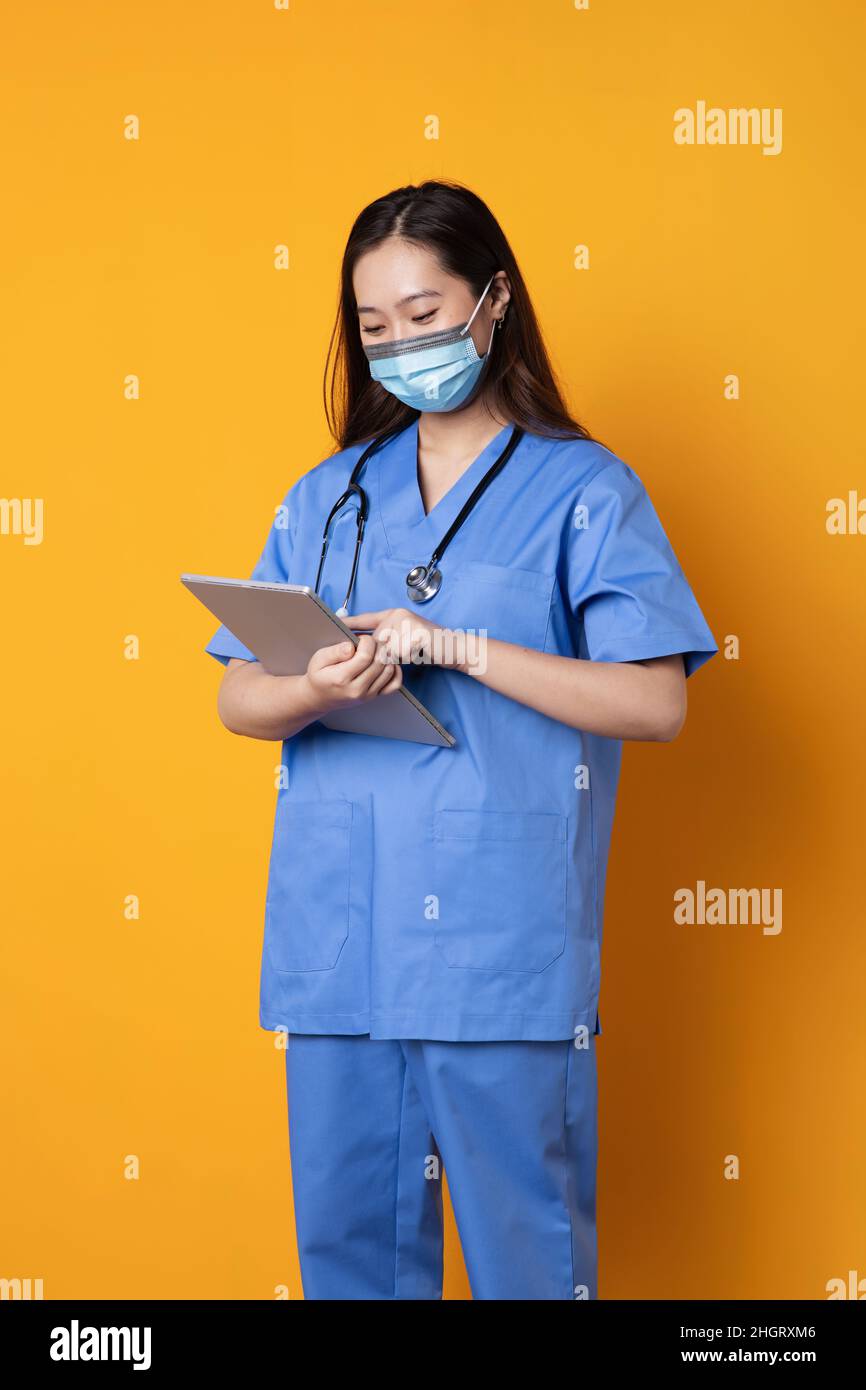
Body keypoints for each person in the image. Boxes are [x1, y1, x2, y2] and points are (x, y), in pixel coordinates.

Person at [203, 180, 718, 1300]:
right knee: (348, 1265)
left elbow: (654, 703)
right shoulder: (329, 495)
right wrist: (309, 684)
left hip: (497, 946)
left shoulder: (583, 488)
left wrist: (457, 647)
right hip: (340, 942)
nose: (400, 346)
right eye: (374, 327)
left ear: (493, 301)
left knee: (527, 1263)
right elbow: (237, 698)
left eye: (424, 314)